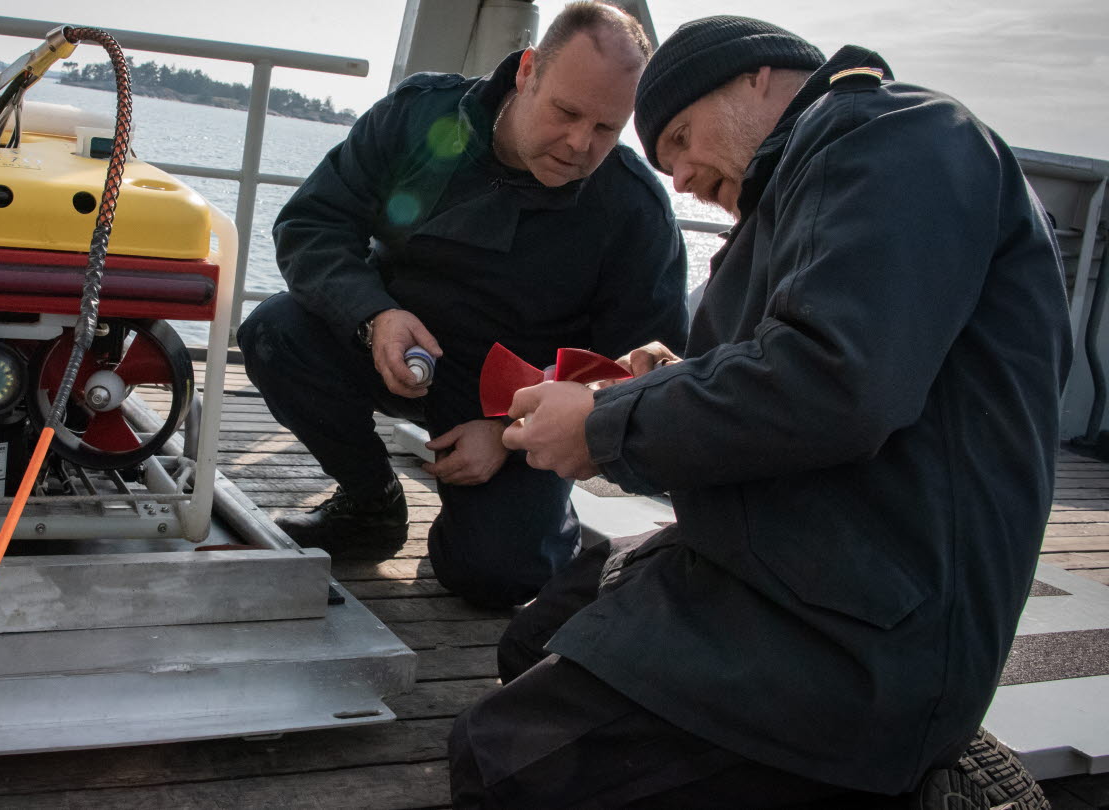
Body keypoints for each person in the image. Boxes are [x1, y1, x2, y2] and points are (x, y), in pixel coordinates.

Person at [449, 14, 1072, 808]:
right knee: (530, 640)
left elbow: (838, 385)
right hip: (796, 554)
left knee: (500, 765)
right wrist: (663, 381)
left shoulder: (901, 135)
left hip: (867, 629)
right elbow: (802, 374)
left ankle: (898, 776)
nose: (676, 176)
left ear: (753, 76)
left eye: (678, 137)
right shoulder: (810, 192)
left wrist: (606, 426)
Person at [237, 2, 688, 608]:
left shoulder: (636, 211)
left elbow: (636, 364)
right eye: (566, 112)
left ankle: (529, 529)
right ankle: (370, 502)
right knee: (273, 332)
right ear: (527, 71)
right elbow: (312, 223)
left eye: (607, 128)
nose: (581, 144)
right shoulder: (418, 115)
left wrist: (509, 432)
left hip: (523, 396)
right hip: (395, 347)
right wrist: (373, 317)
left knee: (498, 575)